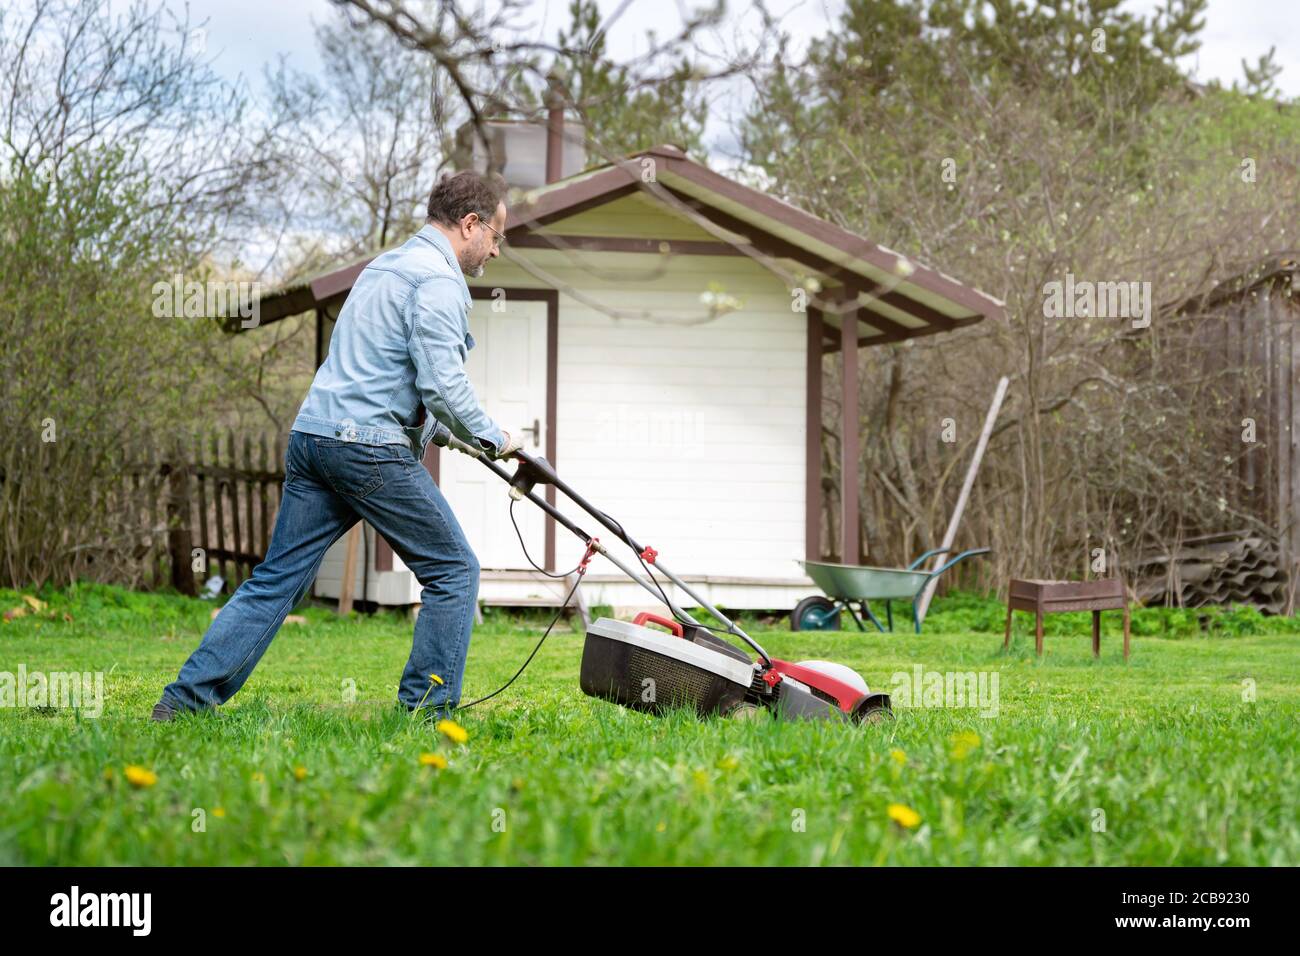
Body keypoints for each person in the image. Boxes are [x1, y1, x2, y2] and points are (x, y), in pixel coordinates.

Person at [152, 170, 521, 721]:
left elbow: (384, 377)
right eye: (496, 235)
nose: (496, 248)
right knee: (454, 570)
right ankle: (425, 714)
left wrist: (456, 440)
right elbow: (442, 386)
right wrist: (495, 437)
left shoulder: (383, 268)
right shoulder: (439, 282)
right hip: (367, 449)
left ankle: (181, 704)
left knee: (275, 580)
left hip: (314, 439)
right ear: (470, 224)